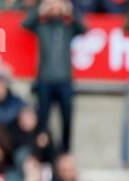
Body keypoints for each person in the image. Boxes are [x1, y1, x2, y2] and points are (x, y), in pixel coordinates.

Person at [23, 0, 85, 153]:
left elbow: (83, 28)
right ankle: (41, 151)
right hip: (44, 80)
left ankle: (65, 152)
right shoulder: (42, 27)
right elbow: (25, 24)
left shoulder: (68, 27)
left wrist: (70, 11)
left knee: (67, 120)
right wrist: (41, 10)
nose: (56, 9)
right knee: (42, 120)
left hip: (65, 81)